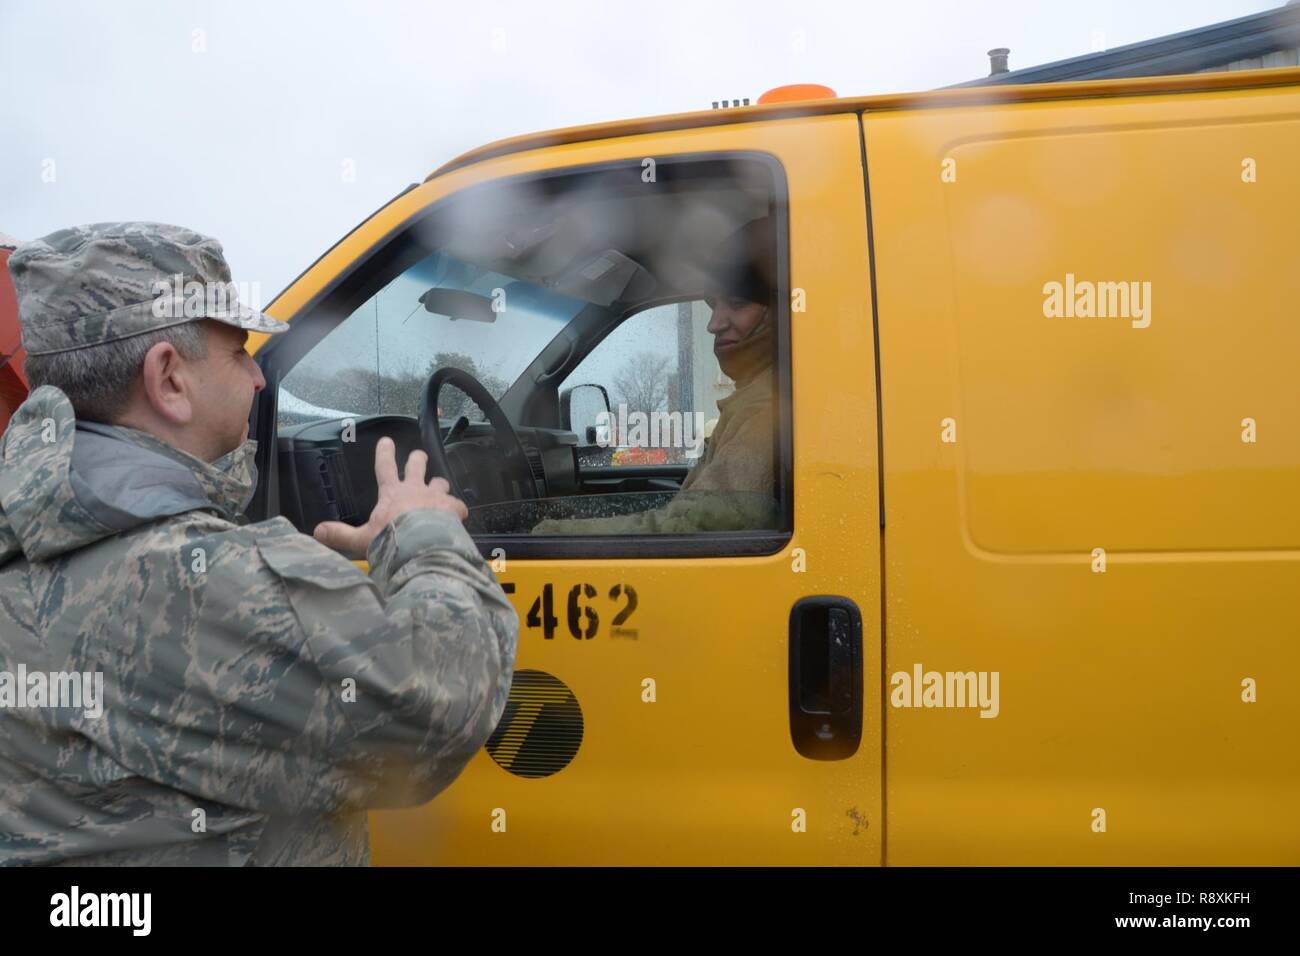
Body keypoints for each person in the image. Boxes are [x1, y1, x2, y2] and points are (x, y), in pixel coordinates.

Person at [0, 222, 518, 866]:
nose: (259, 379)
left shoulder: (31, 534)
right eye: (239, 351)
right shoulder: (199, 582)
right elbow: (443, 706)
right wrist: (424, 532)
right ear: (168, 379)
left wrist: (315, 586)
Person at [532, 217, 779, 534]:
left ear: (781, 308)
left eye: (738, 303)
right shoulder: (757, 395)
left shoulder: (765, 410)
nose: (713, 324)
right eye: (714, 305)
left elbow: (702, 526)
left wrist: (551, 535)